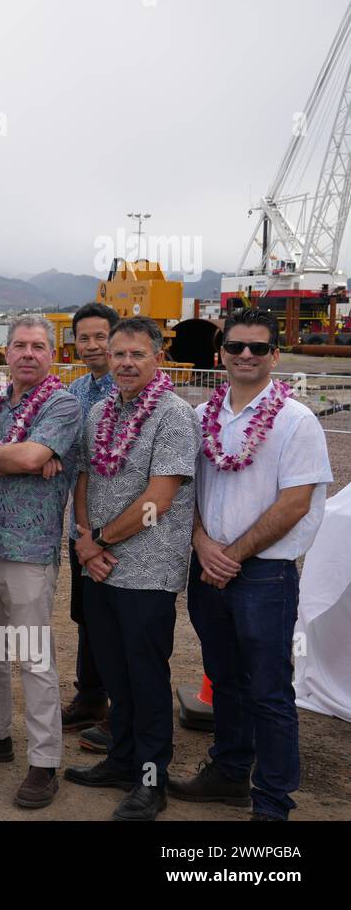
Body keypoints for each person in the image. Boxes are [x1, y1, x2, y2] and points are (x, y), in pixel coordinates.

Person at [170, 308, 332, 821]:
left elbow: (295, 502)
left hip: (263, 576)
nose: (245, 355)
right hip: (209, 568)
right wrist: (200, 543)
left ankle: (272, 803)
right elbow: (186, 489)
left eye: (258, 348)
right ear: (221, 353)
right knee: (224, 678)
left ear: (274, 355)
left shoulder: (296, 420)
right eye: (236, 346)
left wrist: (230, 556)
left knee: (268, 690)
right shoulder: (201, 418)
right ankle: (229, 772)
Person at [64, 316, 199, 821]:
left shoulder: (174, 416)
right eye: (118, 354)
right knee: (114, 672)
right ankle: (121, 760)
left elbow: (159, 499)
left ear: (158, 358)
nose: (124, 362)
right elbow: (83, 479)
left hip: (147, 571)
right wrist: (84, 540)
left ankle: (151, 778)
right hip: (98, 566)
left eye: (136, 354)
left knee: (144, 675)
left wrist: (99, 541)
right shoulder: (99, 410)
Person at [0, 314, 82, 810]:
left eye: (37, 346)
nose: (27, 353)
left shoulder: (63, 404)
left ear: (51, 354)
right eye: (19, 346)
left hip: (28, 551)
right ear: (4, 352)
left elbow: (33, 461)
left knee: (33, 656)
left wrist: (7, 458)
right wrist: (11, 456)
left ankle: (45, 759)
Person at [63, 303, 120, 751]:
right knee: (87, 616)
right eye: (84, 338)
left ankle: (124, 711)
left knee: (123, 621)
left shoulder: (132, 390)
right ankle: (90, 696)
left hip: (124, 529)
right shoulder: (75, 392)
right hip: (80, 528)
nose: (93, 346)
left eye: (101, 337)